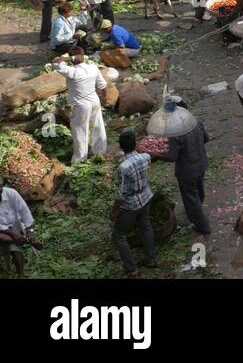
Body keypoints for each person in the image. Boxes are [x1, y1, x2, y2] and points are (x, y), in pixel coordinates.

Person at [150, 104, 211, 235]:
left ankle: (203, 226)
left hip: (187, 171)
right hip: (201, 163)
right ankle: (199, 208)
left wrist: (157, 155)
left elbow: (172, 157)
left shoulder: (176, 133)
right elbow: (206, 138)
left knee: (191, 198)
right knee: (198, 189)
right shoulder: (196, 122)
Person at [112, 131, 157, 278]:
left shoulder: (123, 167)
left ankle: (131, 270)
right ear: (135, 143)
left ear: (121, 147)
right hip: (146, 197)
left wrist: (114, 211)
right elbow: (151, 155)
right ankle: (150, 259)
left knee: (118, 235)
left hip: (131, 204)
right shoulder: (145, 157)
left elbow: (121, 195)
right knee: (146, 226)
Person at [52, 47, 107, 163]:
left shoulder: (72, 71)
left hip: (82, 106)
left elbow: (55, 62)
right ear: (83, 56)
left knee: (80, 131)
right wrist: (104, 98)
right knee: (98, 126)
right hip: (95, 101)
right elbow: (103, 86)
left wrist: (69, 57)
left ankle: (80, 160)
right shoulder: (93, 68)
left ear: (72, 59)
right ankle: (100, 152)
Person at [0, 179, 42, 278]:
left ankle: (20, 275)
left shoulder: (11, 193)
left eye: (0, 187)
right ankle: (28, 242)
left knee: (13, 245)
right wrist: (13, 234)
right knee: (5, 238)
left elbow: (24, 212)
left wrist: (30, 230)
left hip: (14, 224)